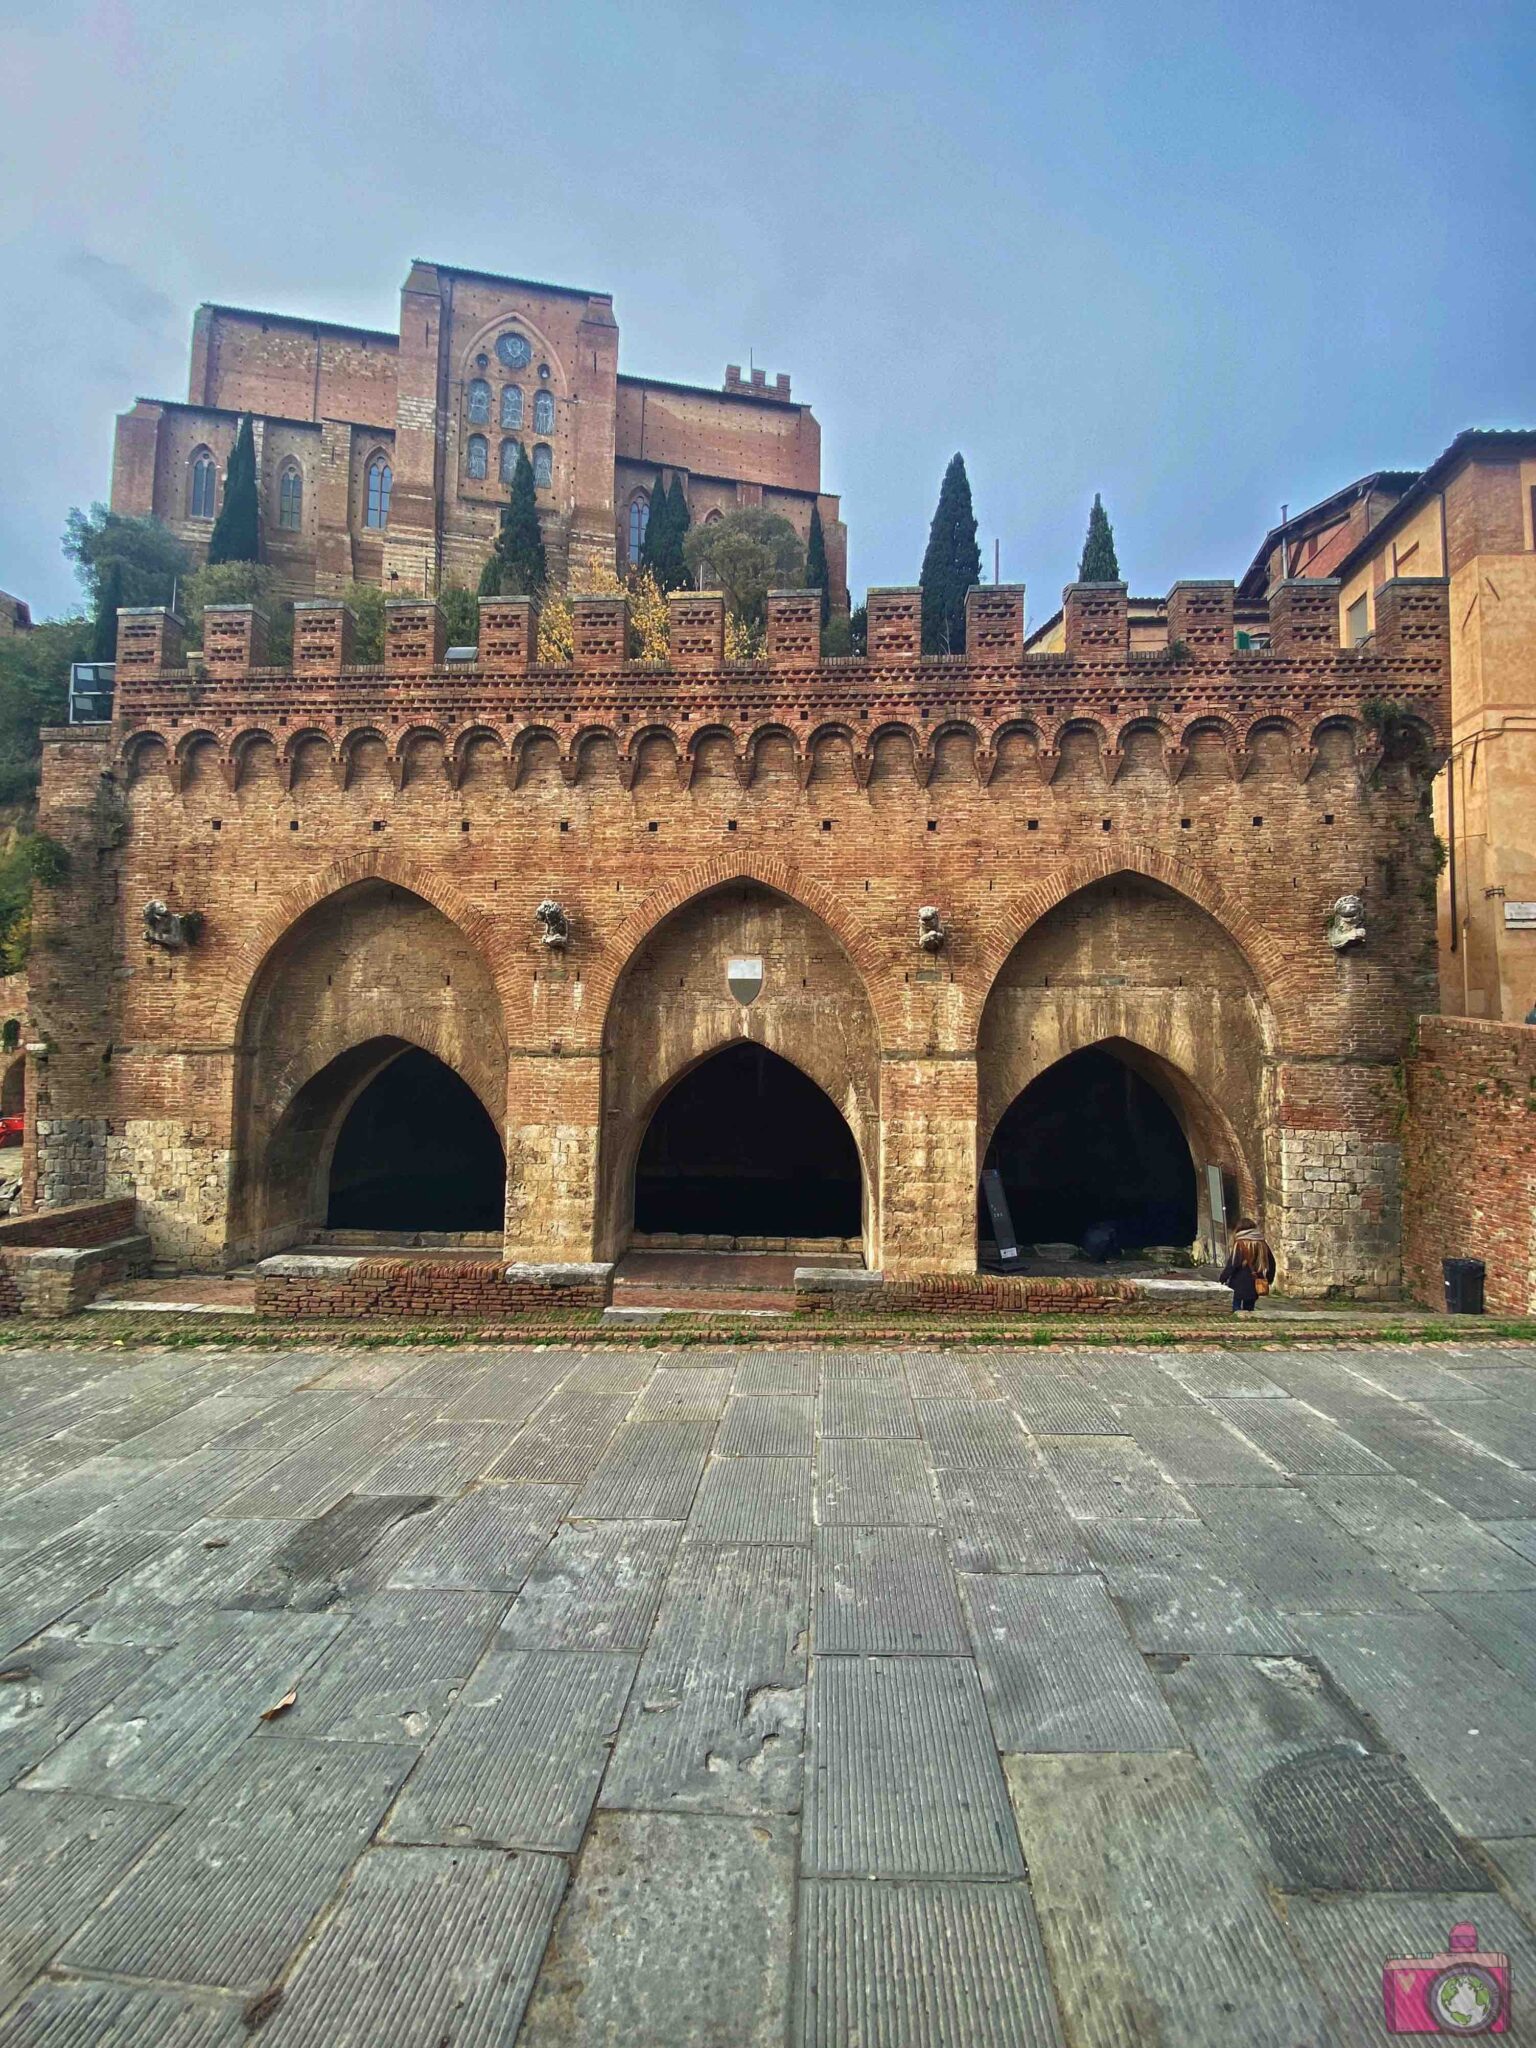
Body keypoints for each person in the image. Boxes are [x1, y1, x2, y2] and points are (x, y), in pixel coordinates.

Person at [1220, 1219, 1275, 1313]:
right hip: (1255, 1281)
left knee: (1236, 1308)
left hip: (1238, 1282)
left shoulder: (1240, 1244)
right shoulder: (1262, 1243)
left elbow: (1232, 1265)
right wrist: (1269, 1279)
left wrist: (1223, 1278)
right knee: (1250, 1309)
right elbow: (1271, 1263)